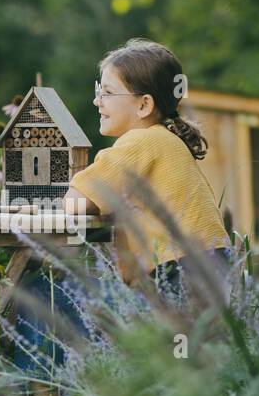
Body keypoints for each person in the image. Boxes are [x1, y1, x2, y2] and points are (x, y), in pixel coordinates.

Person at [13, 38, 233, 372]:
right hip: (206, 286)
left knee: (41, 293)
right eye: (98, 89)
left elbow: (75, 205)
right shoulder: (164, 140)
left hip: (179, 294)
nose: (96, 100)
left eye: (108, 93)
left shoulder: (141, 142)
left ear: (144, 105)